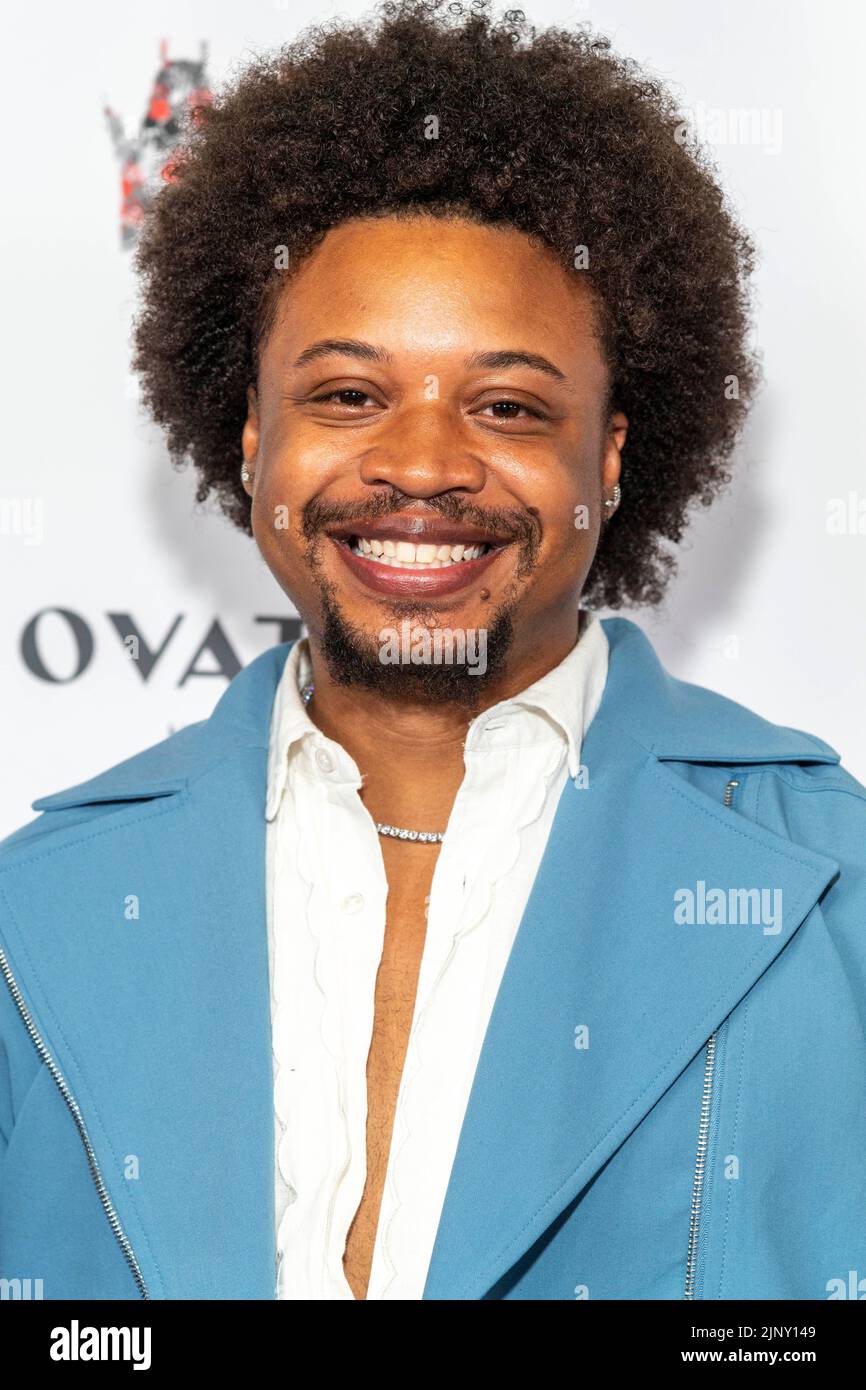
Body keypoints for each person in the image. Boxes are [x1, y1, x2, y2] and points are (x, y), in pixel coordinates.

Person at [1, 0, 864, 1302]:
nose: (418, 464)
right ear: (249, 437)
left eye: (506, 404)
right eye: (347, 393)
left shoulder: (834, 889)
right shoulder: (34, 909)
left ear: (611, 456)